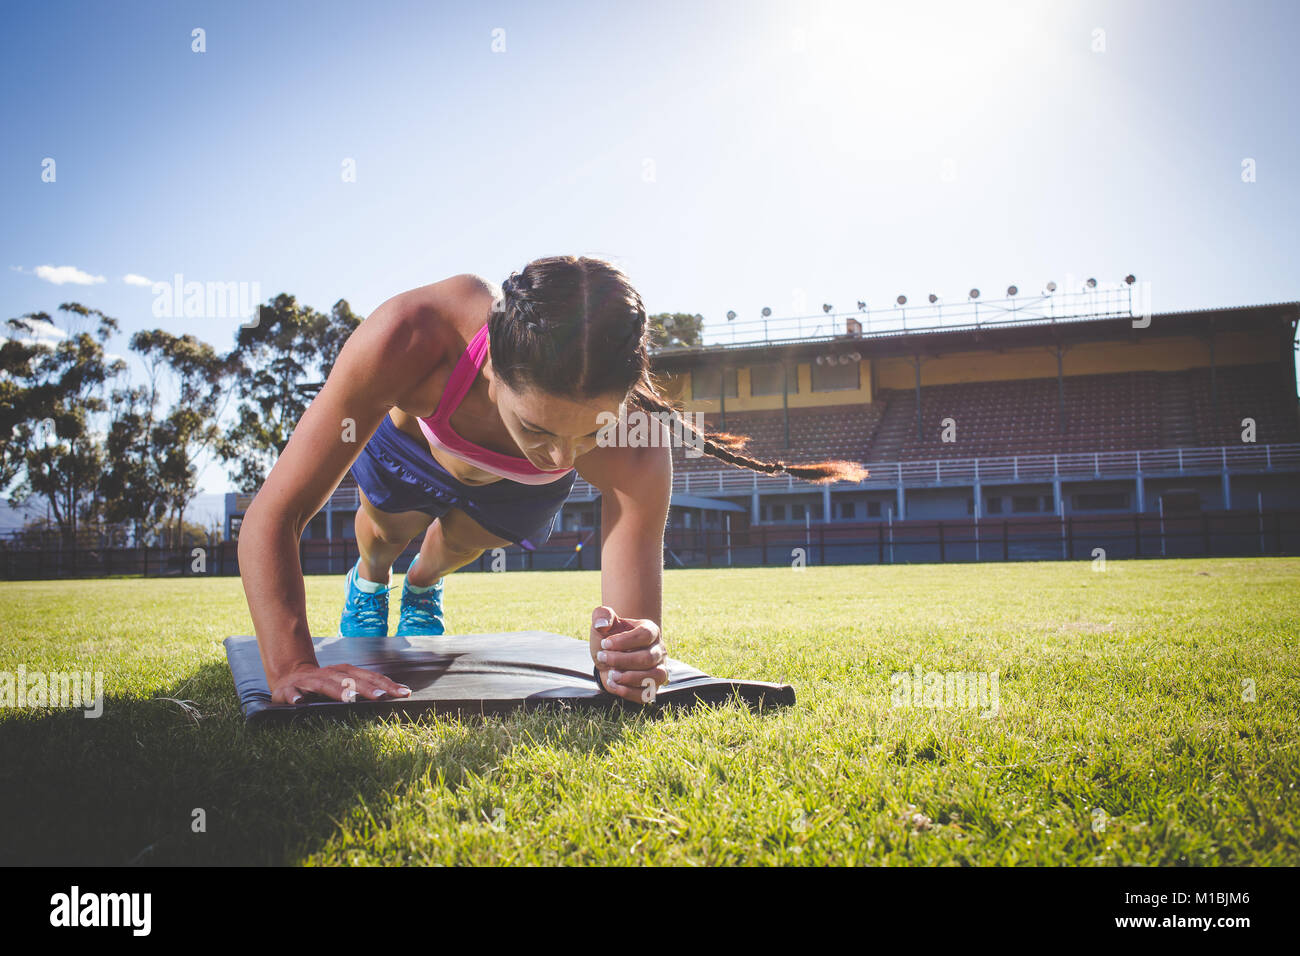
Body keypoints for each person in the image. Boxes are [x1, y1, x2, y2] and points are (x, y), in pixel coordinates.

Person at [236, 255, 866, 706]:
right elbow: (274, 514)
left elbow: (634, 632)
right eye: (537, 427)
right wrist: (291, 663)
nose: (560, 454)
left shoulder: (633, 441)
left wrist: (632, 650)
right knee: (385, 535)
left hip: (508, 495)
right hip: (414, 450)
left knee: (454, 548)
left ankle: (422, 588)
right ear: (492, 374)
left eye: (588, 433)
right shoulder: (412, 335)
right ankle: (371, 584)